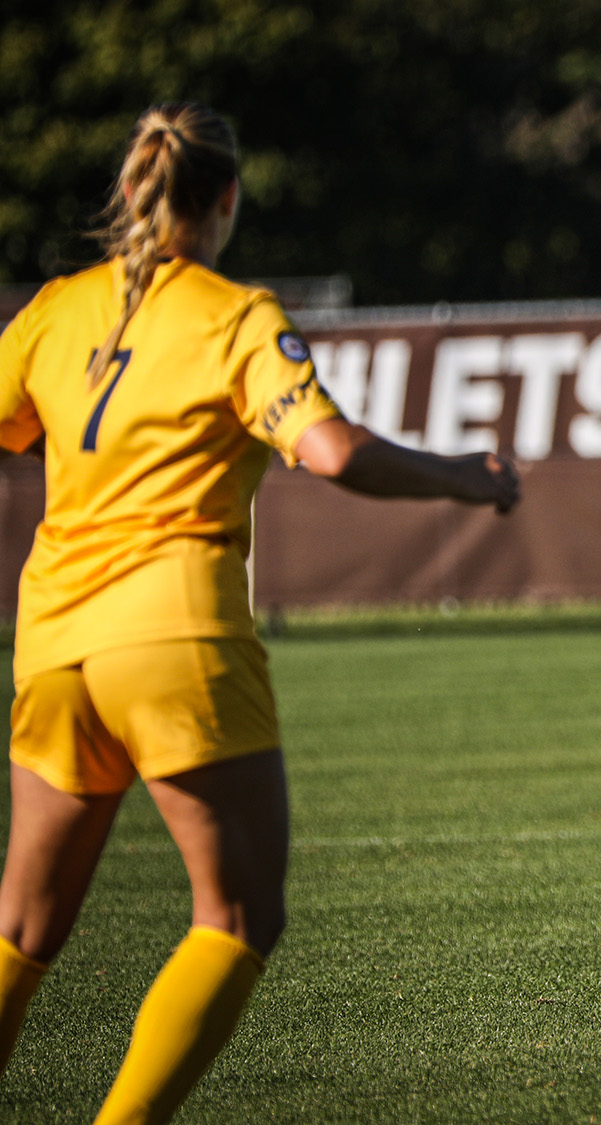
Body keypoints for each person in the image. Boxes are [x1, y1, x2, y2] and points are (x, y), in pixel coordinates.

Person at [0, 103, 518, 1124]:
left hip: (52, 644)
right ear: (226, 199)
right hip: (174, 639)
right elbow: (333, 453)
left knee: (22, 924)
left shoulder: (57, 310)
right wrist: (466, 477)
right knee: (235, 917)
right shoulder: (233, 316)